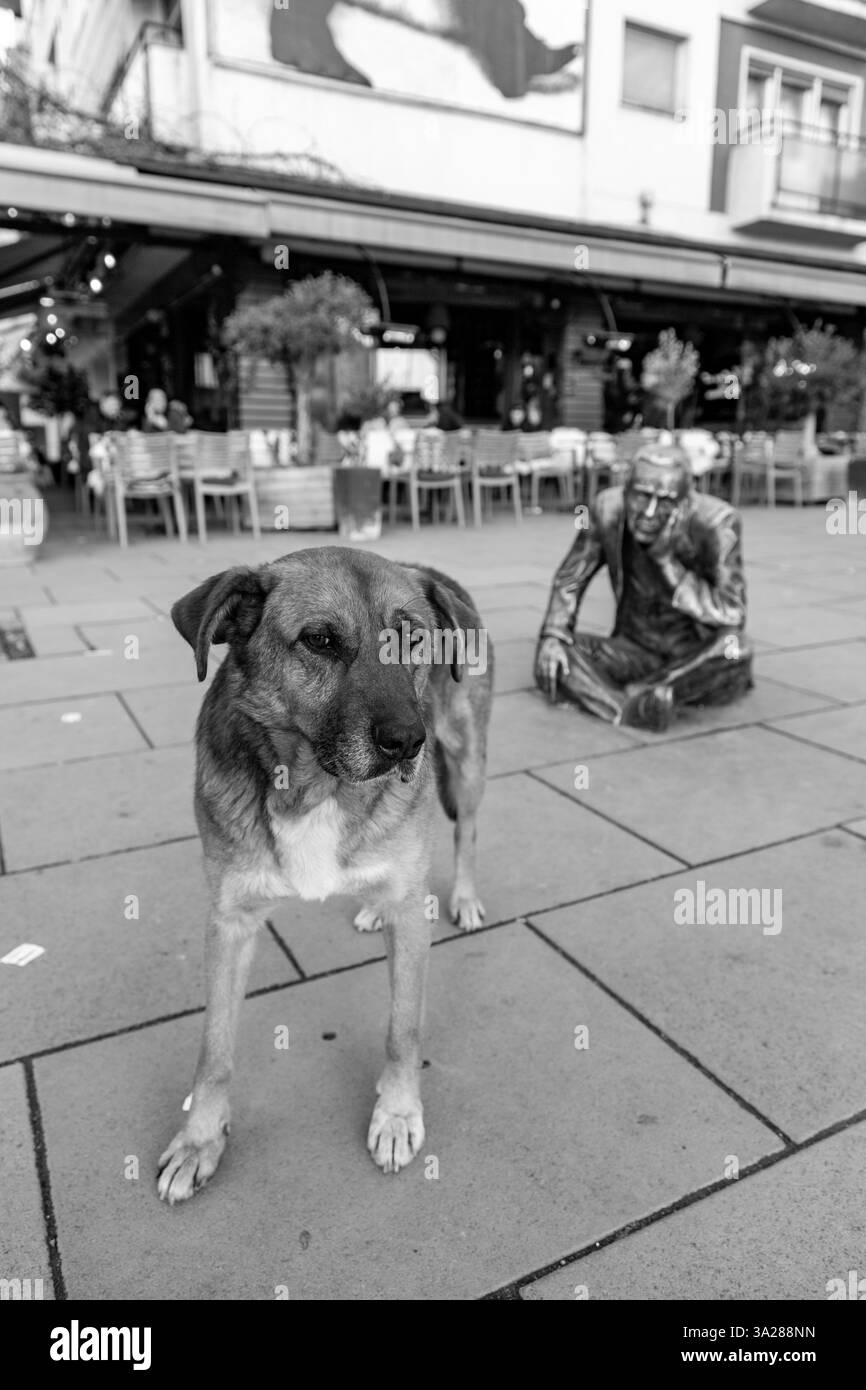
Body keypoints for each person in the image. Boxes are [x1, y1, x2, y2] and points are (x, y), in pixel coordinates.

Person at [535, 444, 753, 732]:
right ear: (625, 490)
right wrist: (554, 635)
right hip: (633, 649)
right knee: (556, 656)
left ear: (685, 503)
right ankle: (628, 709)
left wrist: (668, 565)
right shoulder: (607, 508)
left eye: (664, 501)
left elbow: (732, 612)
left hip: (694, 656)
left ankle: (652, 690)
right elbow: (571, 577)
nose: (649, 512)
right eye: (641, 496)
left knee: (735, 647)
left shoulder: (717, 523)